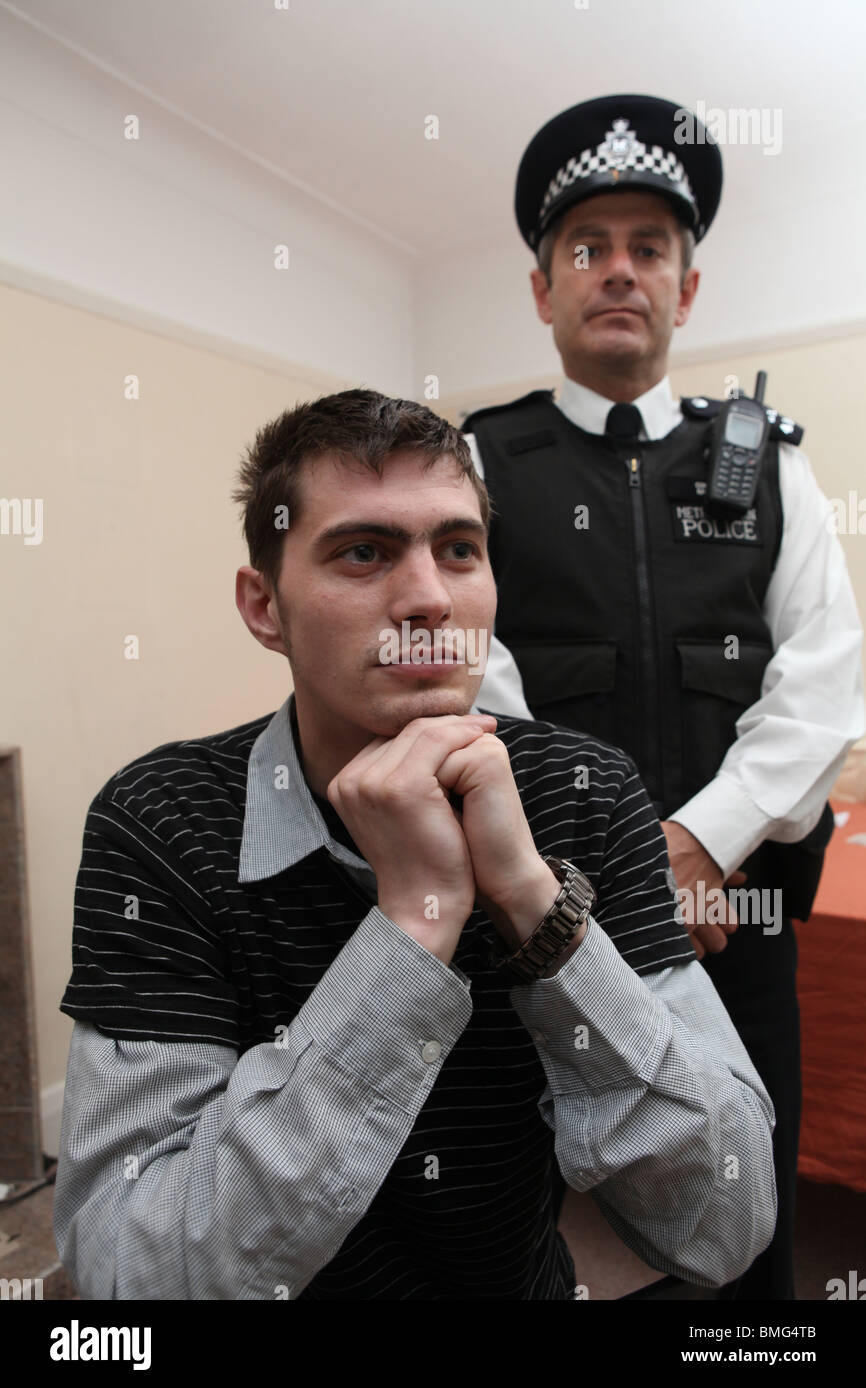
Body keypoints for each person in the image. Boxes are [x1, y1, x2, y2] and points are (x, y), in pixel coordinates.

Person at [54, 389, 776, 1301]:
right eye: (365, 551)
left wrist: (536, 910)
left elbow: (727, 1219)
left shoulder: (585, 790)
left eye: (460, 550)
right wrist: (410, 929)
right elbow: (130, 1274)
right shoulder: (161, 820)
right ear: (265, 606)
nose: (431, 598)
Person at [464, 94, 865, 1300]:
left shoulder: (769, 459)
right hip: (545, 926)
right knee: (551, 1229)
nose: (619, 271)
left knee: (744, 1230)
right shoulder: (479, 464)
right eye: (587, 248)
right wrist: (603, 874)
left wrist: (702, 842)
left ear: (685, 291)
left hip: (736, 924)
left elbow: (823, 672)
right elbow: (465, 675)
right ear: (542, 289)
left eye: (649, 249)